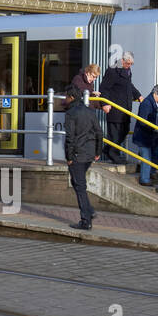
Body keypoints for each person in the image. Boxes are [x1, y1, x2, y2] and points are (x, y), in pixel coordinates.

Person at [63, 84, 103, 230]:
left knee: (79, 186)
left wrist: (69, 156)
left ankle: (86, 220)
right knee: (77, 182)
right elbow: (99, 132)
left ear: (72, 97)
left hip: (77, 155)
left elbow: (70, 137)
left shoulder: (70, 113)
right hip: (89, 154)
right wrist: (98, 151)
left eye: (66, 96)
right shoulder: (90, 111)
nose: (65, 99)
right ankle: (89, 210)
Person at [98, 52, 143, 168]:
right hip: (115, 108)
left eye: (131, 64)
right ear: (122, 60)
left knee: (124, 131)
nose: (129, 65)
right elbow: (104, 88)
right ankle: (114, 154)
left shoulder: (127, 71)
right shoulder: (112, 71)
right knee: (115, 133)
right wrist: (105, 103)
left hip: (125, 108)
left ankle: (108, 150)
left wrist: (138, 95)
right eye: (128, 63)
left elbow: (129, 86)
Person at [132, 85, 158, 185]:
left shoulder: (156, 103)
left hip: (152, 136)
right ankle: (144, 179)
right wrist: (154, 128)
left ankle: (151, 173)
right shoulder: (147, 103)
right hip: (144, 136)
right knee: (146, 157)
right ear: (155, 94)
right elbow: (143, 121)